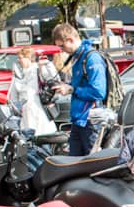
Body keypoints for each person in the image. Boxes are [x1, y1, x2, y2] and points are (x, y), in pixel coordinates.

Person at [51, 23, 107, 156]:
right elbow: (80, 83)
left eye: (62, 46)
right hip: (79, 119)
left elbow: (99, 92)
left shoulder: (91, 58)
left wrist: (72, 89)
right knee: (74, 163)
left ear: (70, 39)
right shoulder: (79, 56)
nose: (61, 50)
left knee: (91, 163)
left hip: (90, 120)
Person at [8, 47, 56, 135]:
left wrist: (47, 64)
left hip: (39, 111)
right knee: (28, 139)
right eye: (18, 58)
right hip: (25, 115)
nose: (18, 61)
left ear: (28, 57)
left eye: (20, 58)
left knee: (42, 137)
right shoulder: (18, 75)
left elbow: (53, 79)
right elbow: (13, 97)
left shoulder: (38, 69)